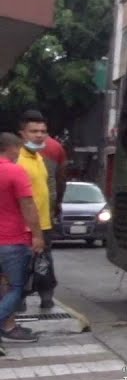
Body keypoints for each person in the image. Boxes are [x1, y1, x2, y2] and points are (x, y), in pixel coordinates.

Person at [0, 131, 43, 347]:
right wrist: (37, 235)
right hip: (12, 241)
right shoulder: (15, 172)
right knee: (17, 288)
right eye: (18, 149)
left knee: (4, 286)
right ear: (11, 148)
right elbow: (28, 205)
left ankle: (9, 326)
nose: (19, 153)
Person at [16, 111, 56, 310]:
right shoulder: (15, 159)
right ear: (22, 133)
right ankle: (17, 303)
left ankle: (46, 298)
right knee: (19, 267)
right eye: (34, 131)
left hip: (44, 224)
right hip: (21, 226)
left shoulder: (40, 158)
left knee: (45, 265)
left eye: (43, 131)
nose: (39, 135)